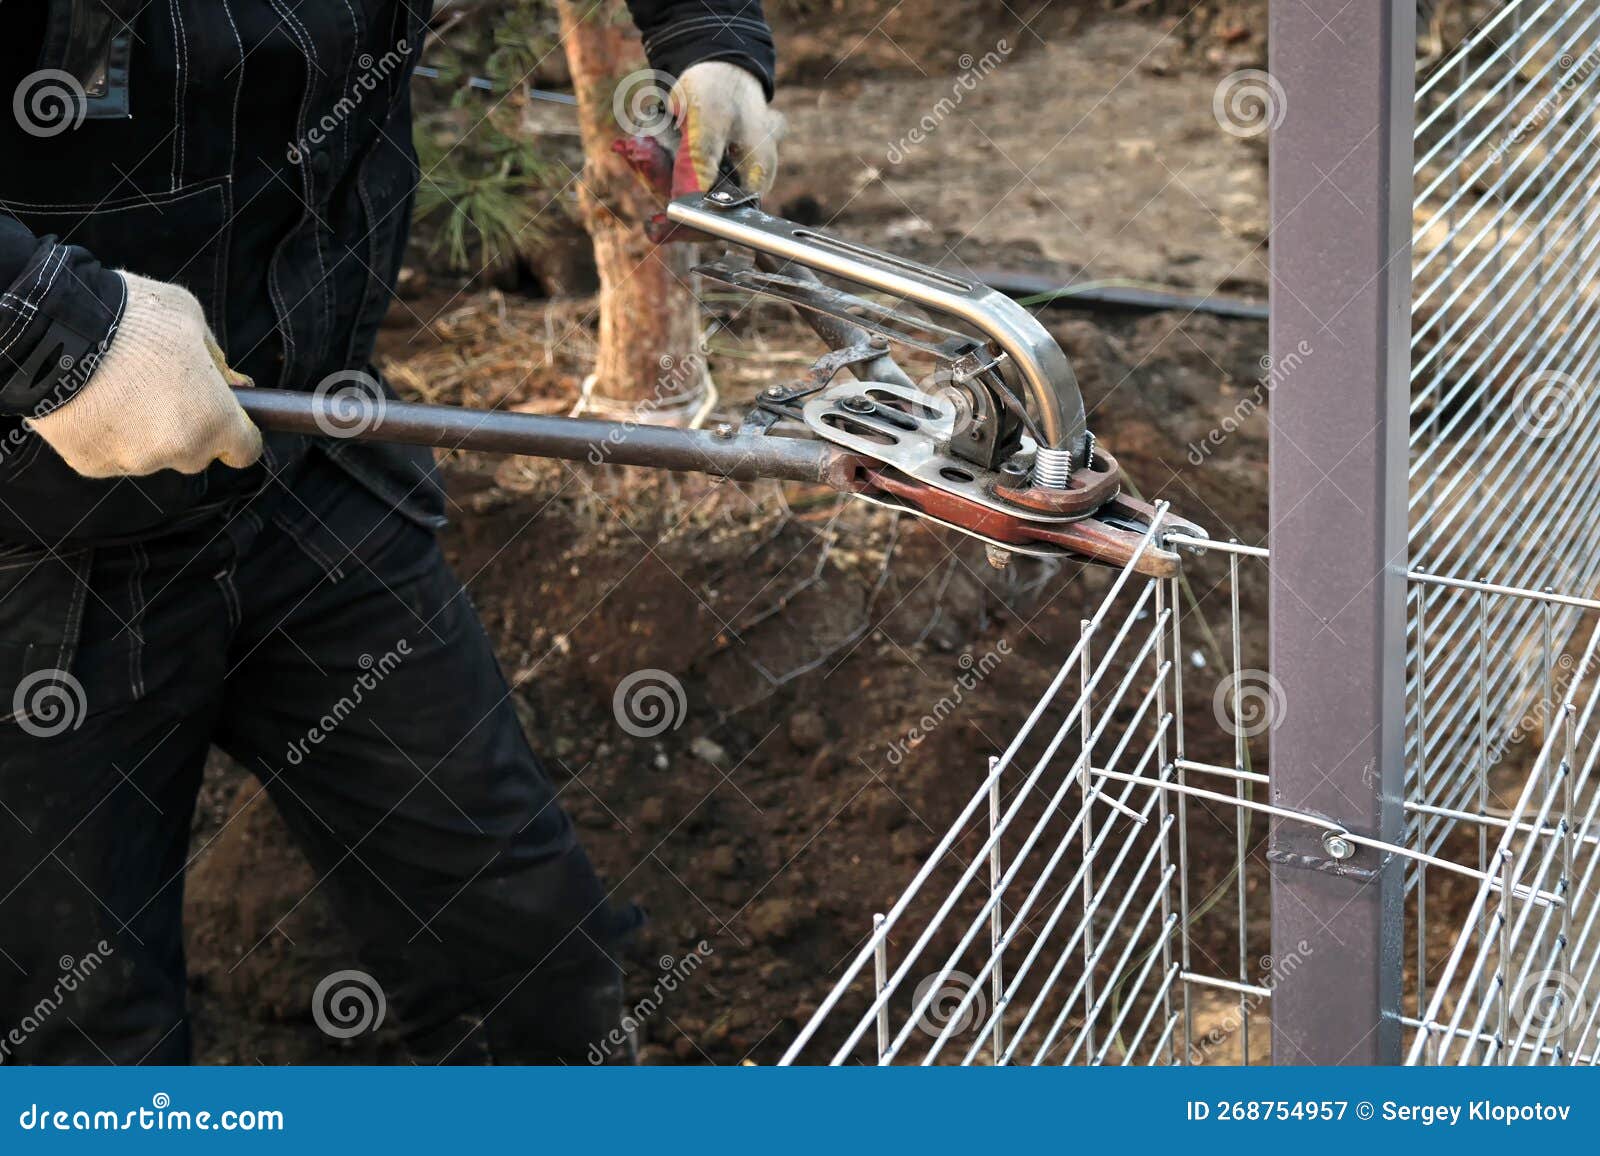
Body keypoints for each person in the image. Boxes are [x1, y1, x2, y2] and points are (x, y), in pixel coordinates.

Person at [0, 0, 784, 1065]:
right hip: (36, 545)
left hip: (315, 469)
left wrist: (709, 39)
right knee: (79, 1043)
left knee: (522, 963)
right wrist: (50, 327)